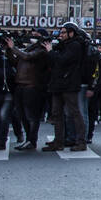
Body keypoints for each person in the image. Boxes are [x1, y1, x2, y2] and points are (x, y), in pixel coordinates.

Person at [41, 23, 88, 152]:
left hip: (69, 83)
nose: (60, 35)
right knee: (56, 113)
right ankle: (59, 141)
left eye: (63, 33)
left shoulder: (75, 45)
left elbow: (62, 60)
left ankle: (81, 141)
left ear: (71, 33)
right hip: (58, 83)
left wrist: (51, 51)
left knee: (74, 113)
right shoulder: (64, 45)